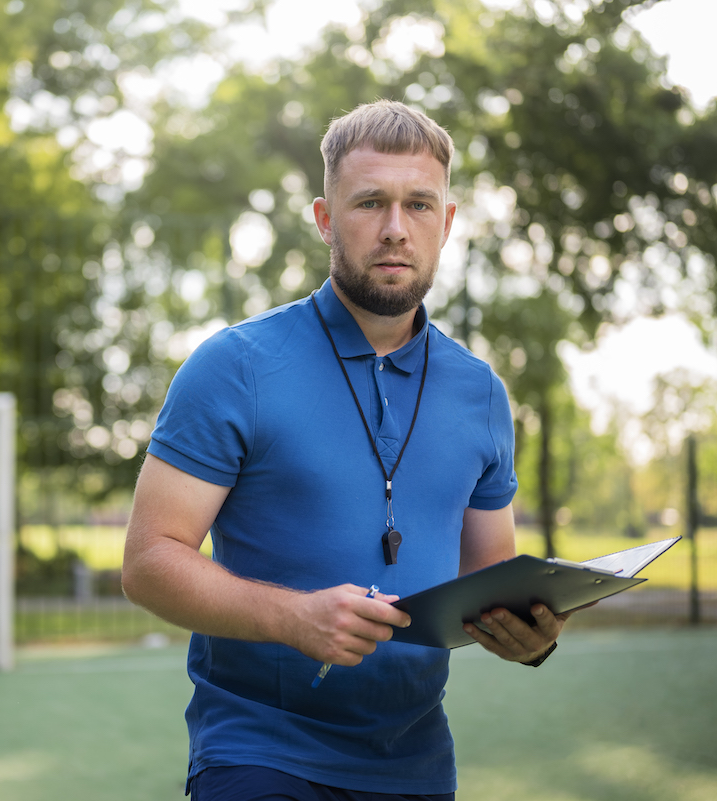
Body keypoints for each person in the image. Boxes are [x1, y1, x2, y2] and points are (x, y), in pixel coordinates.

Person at [121, 99, 573, 801]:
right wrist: (292, 617)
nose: (396, 229)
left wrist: (533, 633)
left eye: (419, 205)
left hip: (417, 762)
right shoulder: (233, 365)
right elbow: (149, 563)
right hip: (257, 750)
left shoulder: (481, 392)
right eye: (370, 203)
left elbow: (493, 580)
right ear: (326, 219)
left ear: (446, 223)